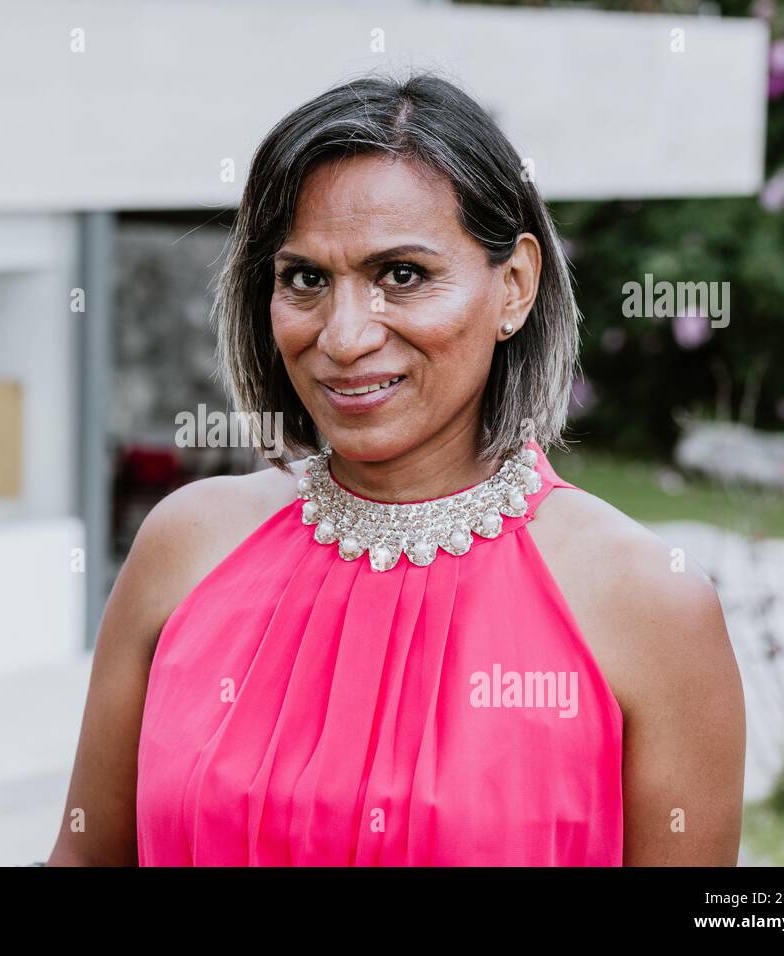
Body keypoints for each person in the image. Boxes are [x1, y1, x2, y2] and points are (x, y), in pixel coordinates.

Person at [47, 71, 745, 866]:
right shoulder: (186, 545)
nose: (344, 336)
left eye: (401, 275)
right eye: (306, 278)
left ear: (514, 285)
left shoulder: (648, 606)